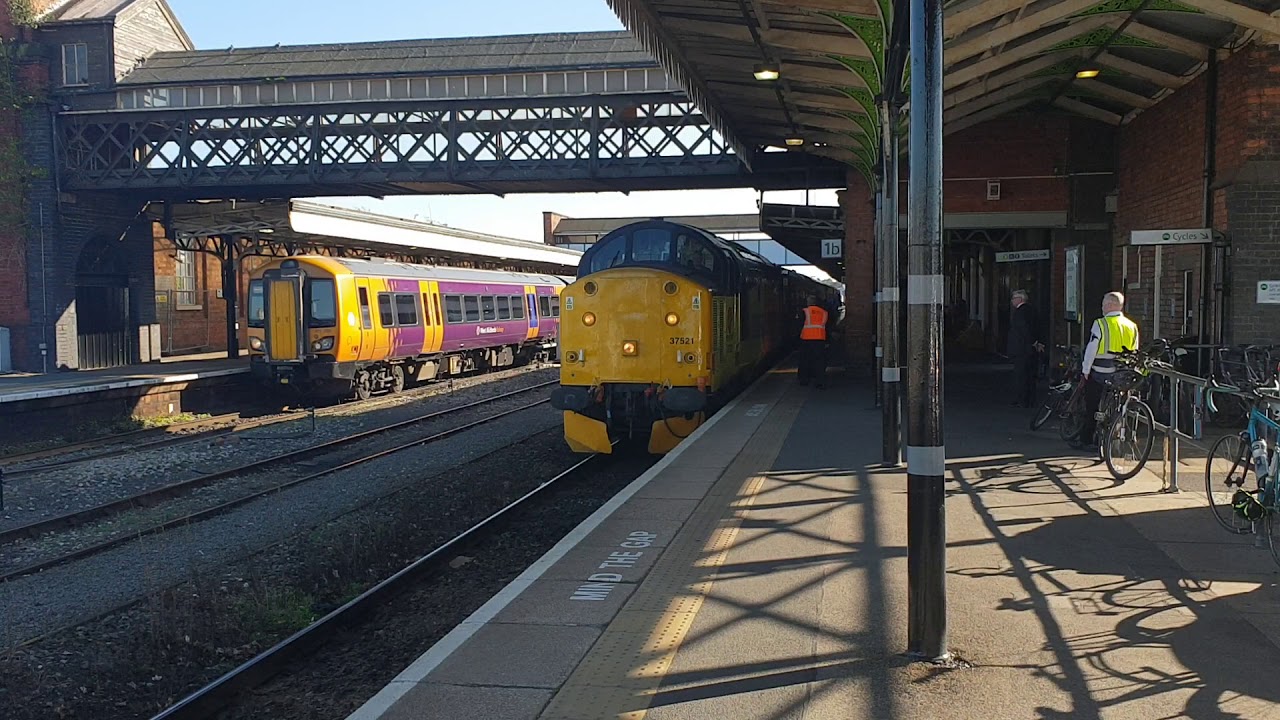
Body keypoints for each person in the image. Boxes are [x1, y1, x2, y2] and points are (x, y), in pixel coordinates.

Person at [1074, 291, 1140, 450]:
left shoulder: (1100, 324)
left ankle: (1087, 439)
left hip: (1101, 372)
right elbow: (1136, 350)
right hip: (1122, 375)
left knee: (1092, 405)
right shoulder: (1132, 326)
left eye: (1104, 304)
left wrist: (1085, 370)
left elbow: (1091, 349)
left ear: (1110, 305)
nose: (1102, 307)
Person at [1007, 290, 1044, 408]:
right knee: (1030, 375)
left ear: (1020, 299)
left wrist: (1031, 342)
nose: (1012, 301)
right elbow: (1037, 326)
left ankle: (1022, 399)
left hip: (1021, 348)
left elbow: (1023, 330)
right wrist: (1037, 342)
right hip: (1031, 349)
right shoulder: (1033, 310)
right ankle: (1030, 399)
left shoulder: (1019, 312)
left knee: (1021, 375)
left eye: (1014, 298)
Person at [798, 294, 829, 388]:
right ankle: (820, 381)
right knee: (819, 361)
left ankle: (804, 380)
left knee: (805, 360)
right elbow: (828, 326)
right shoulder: (824, 312)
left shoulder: (805, 311)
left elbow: (799, 324)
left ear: (809, 303)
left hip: (806, 339)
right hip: (820, 339)